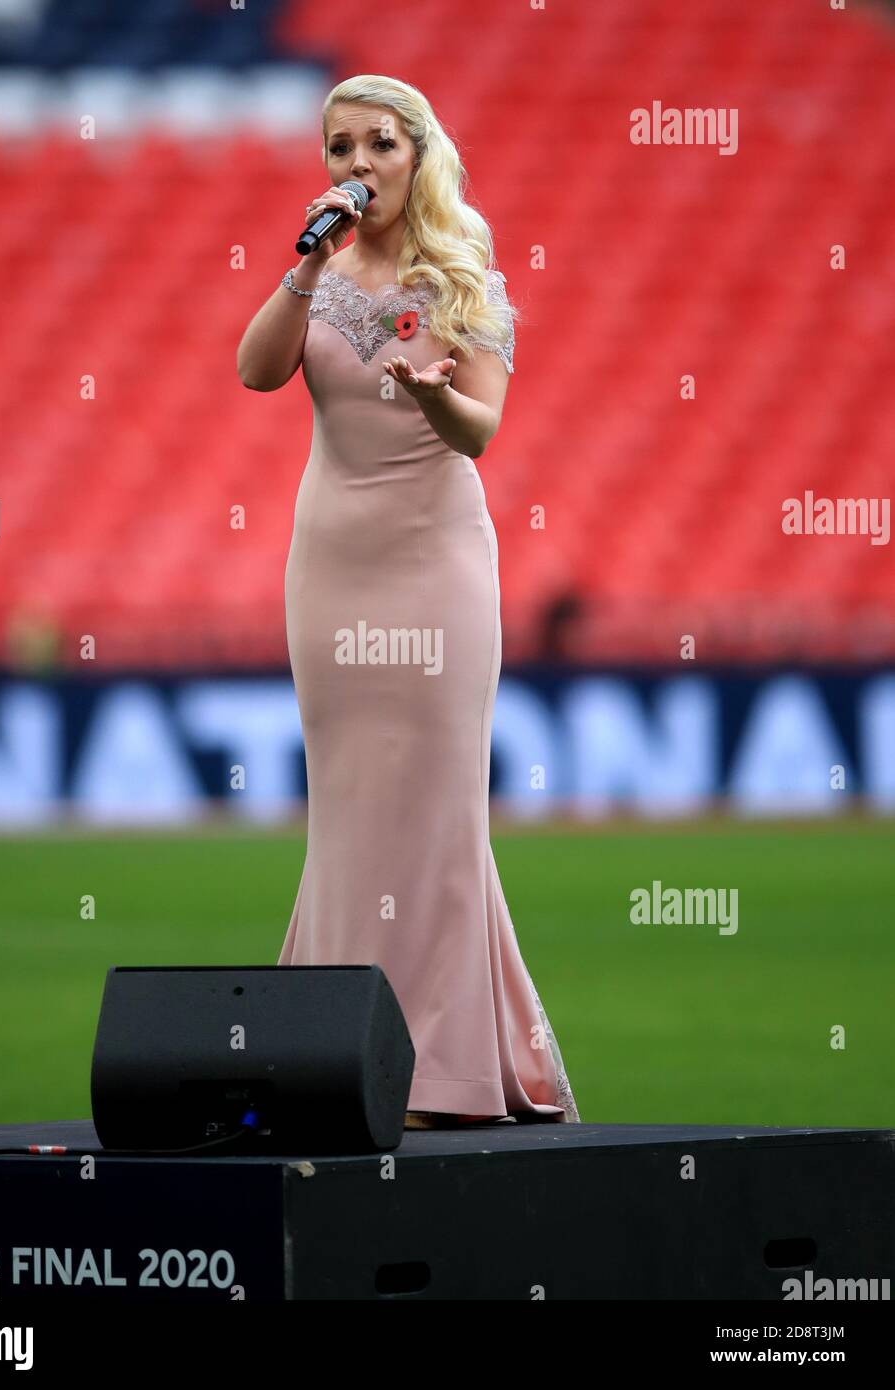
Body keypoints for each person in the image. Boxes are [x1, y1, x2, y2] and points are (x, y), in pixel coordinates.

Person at [237, 75, 580, 1129]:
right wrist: (302, 268)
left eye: (378, 145)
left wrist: (439, 393)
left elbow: (481, 432)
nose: (355, 165)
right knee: (345, 812)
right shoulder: (323, 274)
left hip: (436, 568)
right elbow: (255, 372)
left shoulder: (465, 276)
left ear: (417, 155)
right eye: (338, 147)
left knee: (436, 811)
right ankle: (333, 1057)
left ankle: (440, 1071)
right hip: (331, 566)